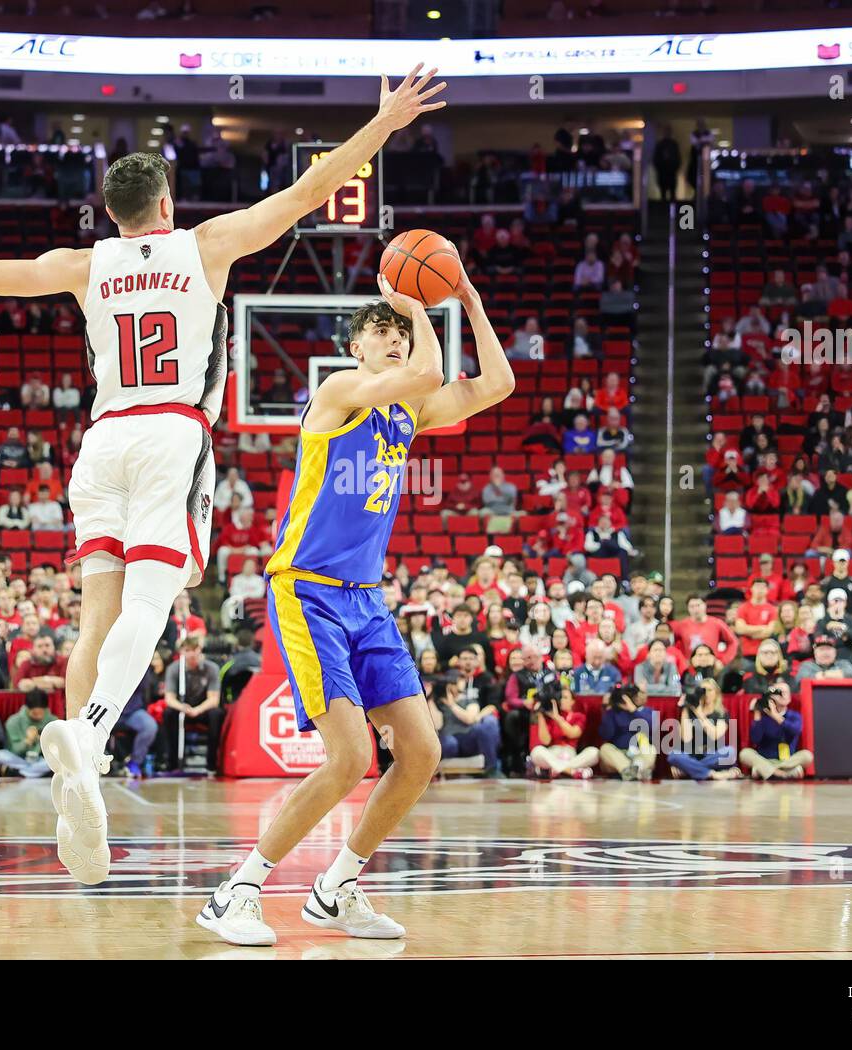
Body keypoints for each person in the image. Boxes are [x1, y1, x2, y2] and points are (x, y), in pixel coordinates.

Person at [0, 67, 448, 894]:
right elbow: (312, 187)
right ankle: (96, 731)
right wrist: (385, 121)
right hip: (171, 431)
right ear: (169, 204)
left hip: (100, 439)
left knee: (96, 617)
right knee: (153, 598)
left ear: (113, 214)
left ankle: (84, 776)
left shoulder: (87, 262)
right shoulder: (207, 245)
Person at [201, 203, 518, 944]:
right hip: (304, 589)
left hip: (368, 600)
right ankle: (236, 891)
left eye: (397, 331)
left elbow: (496, 382)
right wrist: (413, 299)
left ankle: (337, 886)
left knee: (423, 751)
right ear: (354, 346)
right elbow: (432, 369)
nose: (389, 338)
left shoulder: (411, 411)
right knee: (350, 757)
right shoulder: (338, 393)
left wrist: (466, 299)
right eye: (378, 330)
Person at [159, 635, 223, 773]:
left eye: (195, 649)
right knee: (169, 713)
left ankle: (211, 764)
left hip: (203, 708)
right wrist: (182, 707)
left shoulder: (212, 668)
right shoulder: (174, 669)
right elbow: (169, 698)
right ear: (182, 651)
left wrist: (198, 710)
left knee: (216, 714)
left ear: (200, 650)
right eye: (188, 650)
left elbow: (214, 699)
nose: (192, 654)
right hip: (182, 708)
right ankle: (173, 762)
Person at [669, 679, 741, 781]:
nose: (706, 693)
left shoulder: (721, 713)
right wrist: (686, 708)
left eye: (710, 690)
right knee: (673, 755)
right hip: (692, 755)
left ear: (716, 693)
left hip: (713, 755)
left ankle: (689, 769)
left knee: (730, 752)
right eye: (703, 690)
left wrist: (699, 713)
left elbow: (715, 735)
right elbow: (686, 738)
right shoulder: (690, 711)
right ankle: (711, 773)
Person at [739, 683, 813, 780]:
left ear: (790, 698)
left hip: (787, 761)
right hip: (765, 759)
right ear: (771, 697)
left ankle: (767, 771)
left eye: (785, 692)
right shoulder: (764, 717)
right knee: (745, 753)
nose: (782, 695)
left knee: (807, 755)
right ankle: (784, 773)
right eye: (778, 692)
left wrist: (775, 716)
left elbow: (795, 730)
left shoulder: (794, 716)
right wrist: (757, 713)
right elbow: (755, 739)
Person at [528, 685, 599, 779]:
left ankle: (555, 770)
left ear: (572, 701)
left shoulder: (578, 716)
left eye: (565, 698)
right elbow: (545, 741)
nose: (562, 700)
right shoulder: (550, 717)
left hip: (570, 754)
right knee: (536, 751)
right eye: (560, 698)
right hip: (552, 754)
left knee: (594, 752)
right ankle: (572, 771)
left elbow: (573, 733)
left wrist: (557, 718)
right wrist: (540, 715)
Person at [597, 681, 658, 780]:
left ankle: (635, 769)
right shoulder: (612, 713)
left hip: (639, 754)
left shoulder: (648, 711)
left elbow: (651, 728)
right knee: (605, 748)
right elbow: (606, 735)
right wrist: (610, 710)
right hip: (619, 754)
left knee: (651, 749)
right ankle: (630, 771)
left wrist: (633, 710)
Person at [0, 689, 59, 777]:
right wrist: (27, 741)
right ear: (27, 709)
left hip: (41, 760)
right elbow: (14, 750)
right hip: (19, 759)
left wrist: (42, 740)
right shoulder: (13, 721)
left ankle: (23, 773)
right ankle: (33, 772)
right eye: (35, 713)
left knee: (57, 760)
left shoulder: (53, 722)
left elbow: (56, 749)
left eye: (41, 713)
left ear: (46, 709)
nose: (38, 716)